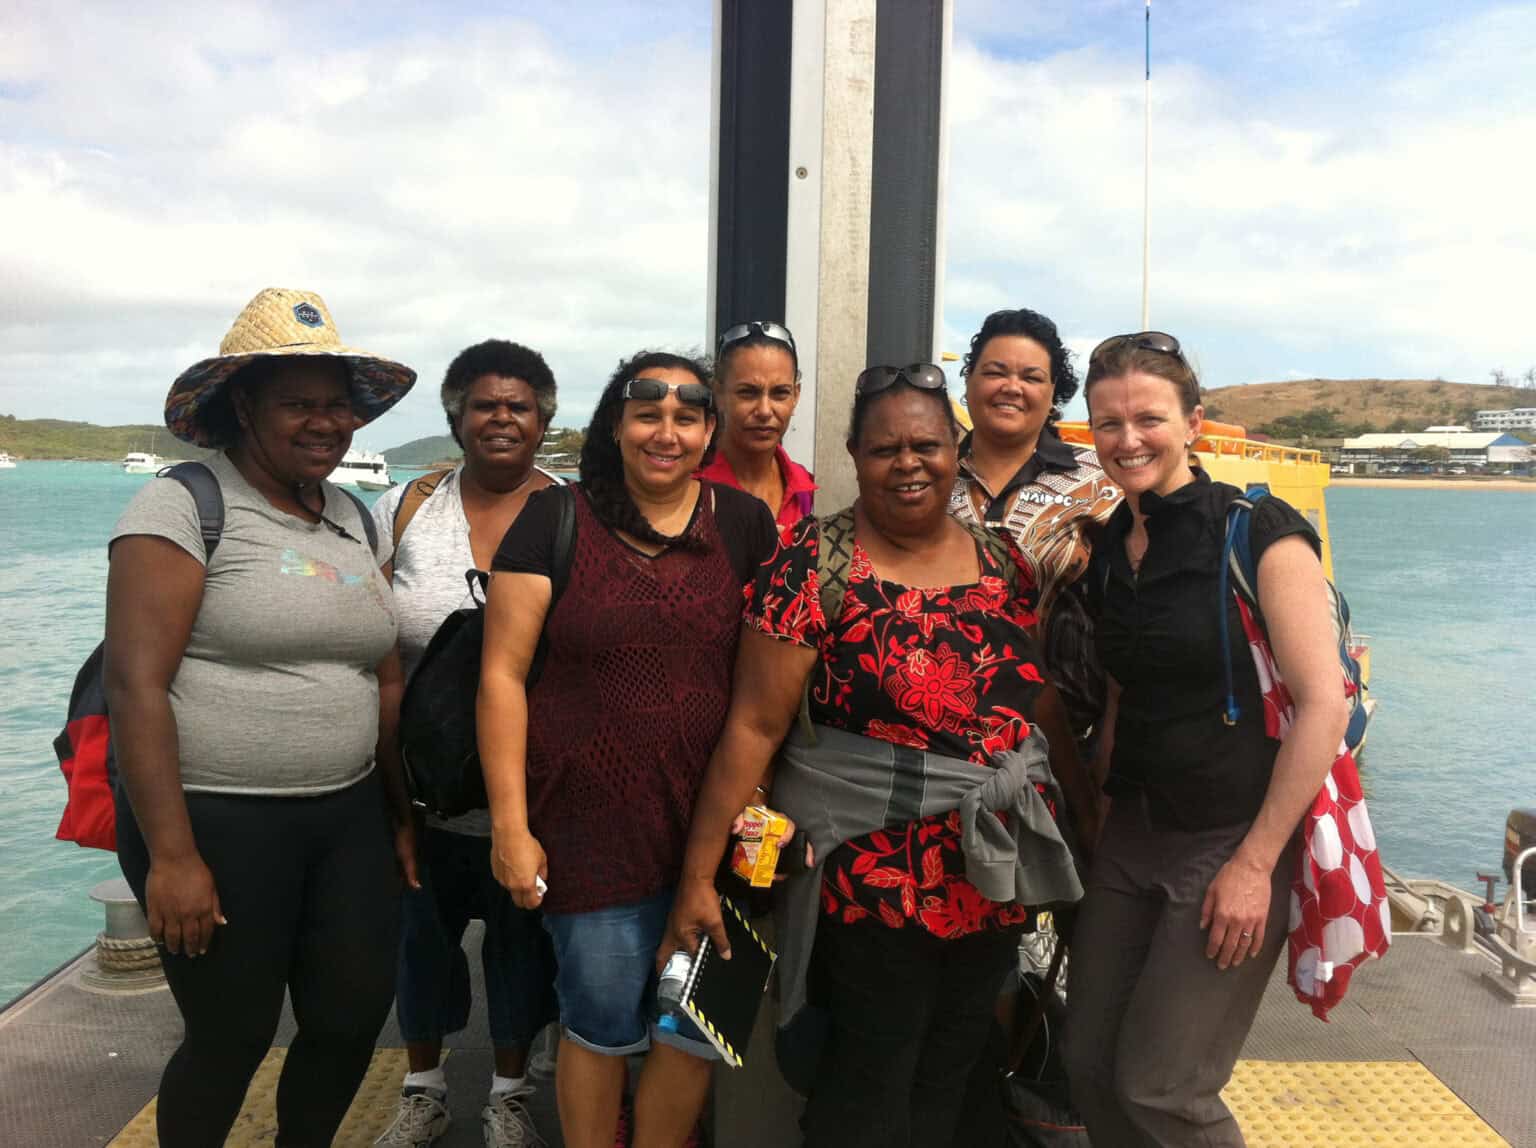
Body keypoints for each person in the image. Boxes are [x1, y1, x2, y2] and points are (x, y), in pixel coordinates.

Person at [664, 363, 1096, 1148]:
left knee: (957, 1065)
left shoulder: (1004, 566)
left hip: (991, 872)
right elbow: (753, 731)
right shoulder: (811, 569)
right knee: (867, 1076)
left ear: (956, 450)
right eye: (884, 448)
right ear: (855, 457)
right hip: (866, 884)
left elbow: (1036, 704)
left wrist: (1085, 830)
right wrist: (698, 878)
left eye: (926, 445)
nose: (908, 463)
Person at [106, 287, 418, 1147]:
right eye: (299, 405)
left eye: (337, 406)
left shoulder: (356, 518)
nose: (324, 424)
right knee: (230, 1037)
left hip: (347, 817)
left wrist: (397, 817)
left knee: (353, 1018)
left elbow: (383, 677)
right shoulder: (184, 505)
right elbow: (136, 686)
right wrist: (173, 857)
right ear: (244, 405)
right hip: (213, 819)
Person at [478, 352, 778, 1148]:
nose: (666, 432)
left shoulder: (745, 526)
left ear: (709, 430)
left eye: (687, 416)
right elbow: (502, 678)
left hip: (716, 829)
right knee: (600, 1025)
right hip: (589, 829)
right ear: (617, 425)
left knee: (691, 1028)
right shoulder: (555, 519)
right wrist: (512, 828)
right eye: (648, 414)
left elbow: (770, 685)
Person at [1062, 331, 1349, 1147]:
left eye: (1149, 418)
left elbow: (1323, 706)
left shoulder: (1258, 533)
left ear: (1193, 422)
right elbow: (1122, 693)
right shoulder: (1113, 547)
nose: (1128, 440)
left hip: (1229, 837)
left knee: (1164, 1088)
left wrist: (1257, 866)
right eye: (1107, 424)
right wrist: (1097, 818)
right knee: (1088, 1063)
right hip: (1132, 834)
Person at [371, 340, 562, 1148]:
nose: (502, 418)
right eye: (484, 404)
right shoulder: (407, 510)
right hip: (427, 788)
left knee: (522, 953)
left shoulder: (572, 515)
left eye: (520, 405)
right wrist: (391, 803)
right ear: (455, 416)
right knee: (423, 949)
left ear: (545, 419)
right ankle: (423, 1089)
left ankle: (510, 1093)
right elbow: (378, 656)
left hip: (535, 794)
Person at [950, 307, 1121, 733]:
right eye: (995, 372)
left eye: (1031, 377)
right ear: (969, 382)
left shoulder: (1100, 482)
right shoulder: (930, 475)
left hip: (1064, 736)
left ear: (1053, 394)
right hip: (941, 732)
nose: (1012, 387)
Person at [696, 320, 816, 526]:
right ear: (718, 393)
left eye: (780, 393)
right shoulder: (690, 488)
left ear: (796, 395)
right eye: (748, 393)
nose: (764, 411)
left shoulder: (805, 490)